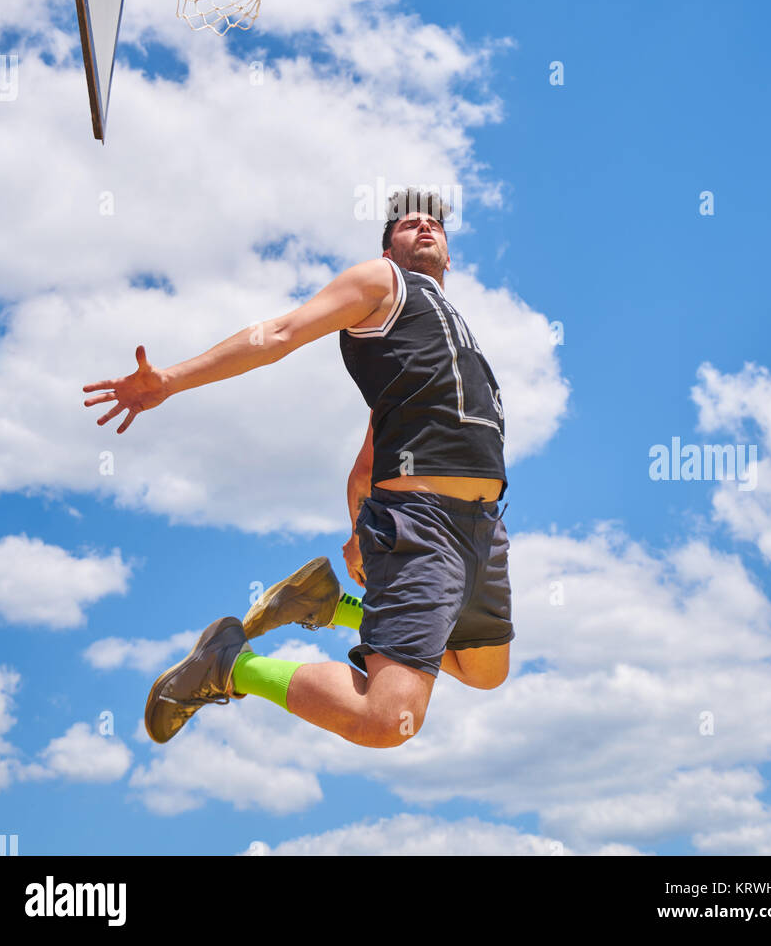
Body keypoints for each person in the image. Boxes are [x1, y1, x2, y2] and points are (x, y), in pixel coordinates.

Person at [83, 189, 513, 750]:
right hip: (423, 523)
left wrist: (358, 525)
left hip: (482, 529)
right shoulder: (381, 285)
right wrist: (170, 381)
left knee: (484, 670)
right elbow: (277, 336)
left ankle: (331, 605)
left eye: (434, 224)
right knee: (387, 720)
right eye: (408, 224)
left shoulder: (451, 331)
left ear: (450, 255)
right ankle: (231, 664)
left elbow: (373, 449)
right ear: (389, 248)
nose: (424, 227)